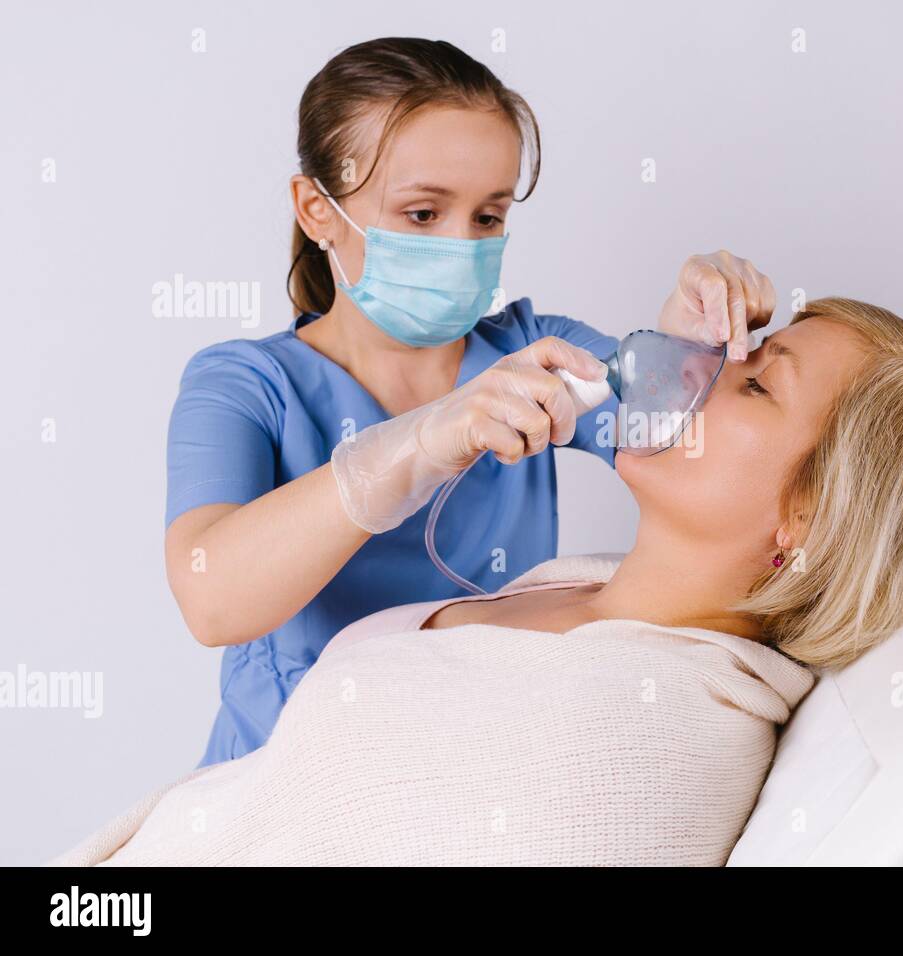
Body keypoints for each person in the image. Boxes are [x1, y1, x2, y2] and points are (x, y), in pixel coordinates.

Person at [56, 297, 903, 866]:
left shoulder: (621, 745)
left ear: (810, 518)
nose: (703, 368)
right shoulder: (596, 589)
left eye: (757, 381)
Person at [163, 37, 777, 768]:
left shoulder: (536, 352)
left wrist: (686, 337)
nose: (461, 246)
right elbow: (214, 600)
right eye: (423, 214)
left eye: (487, 218)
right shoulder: (245, 385)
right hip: (282, 790)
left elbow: (687, 449)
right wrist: (418, 445)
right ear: (317, 210)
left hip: (470, 777)